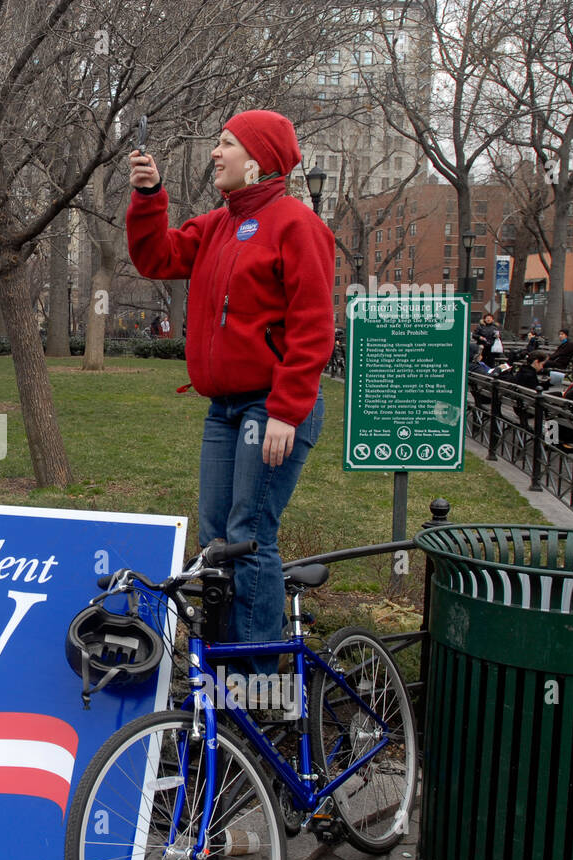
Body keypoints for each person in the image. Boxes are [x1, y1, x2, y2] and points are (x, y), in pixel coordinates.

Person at [127, 109, 333, 671]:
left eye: (227, 143)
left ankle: (258, 680)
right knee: (217, 538)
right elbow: (157, 257)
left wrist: (287, 411)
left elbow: (314, 326)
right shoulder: (217, 224)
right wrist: (150, 196)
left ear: (258, 160)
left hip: (274, 405)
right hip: (225, 409)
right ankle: (221, 671)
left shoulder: (297, 225)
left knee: (250, 533)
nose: (216, 153)